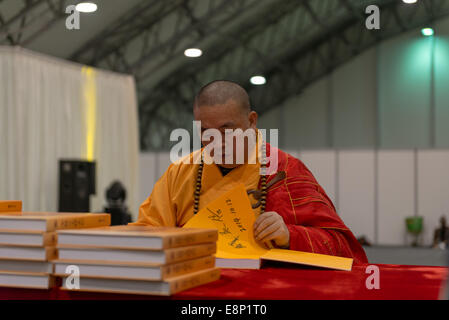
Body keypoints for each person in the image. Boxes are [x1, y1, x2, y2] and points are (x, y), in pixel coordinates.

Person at [132, 80, 368, 264]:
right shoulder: (180, 173)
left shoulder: (285, 170)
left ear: (252, 121)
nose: (217, 142)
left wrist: (289, 235)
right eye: (206, 131)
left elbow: (343, 249)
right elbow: (146, 234)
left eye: (228, 129)